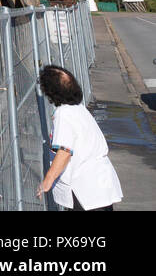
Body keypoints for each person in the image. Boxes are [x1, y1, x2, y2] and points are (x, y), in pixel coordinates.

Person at [35, 65, 122, 211]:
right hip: (101, 184)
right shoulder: (79, 109)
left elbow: (64, 152)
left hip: (85, 188)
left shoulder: (64, 114)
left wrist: (47, 181)